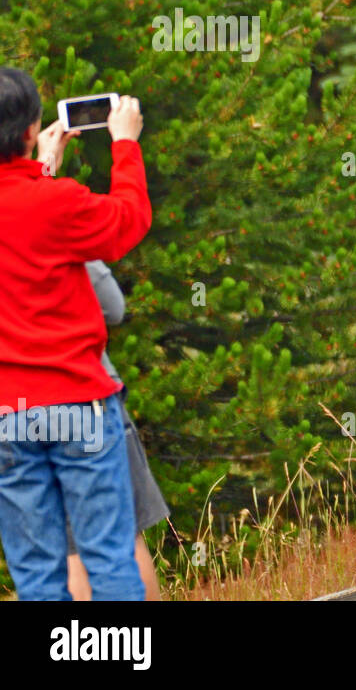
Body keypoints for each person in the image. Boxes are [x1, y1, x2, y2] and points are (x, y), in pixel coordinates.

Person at [0, 69, 151, 600]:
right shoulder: (56, 201)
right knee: (108, 557)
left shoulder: (42, 192)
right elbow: (128, 220)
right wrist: (125, 146)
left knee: (36, 573)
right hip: (77, 399)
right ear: (29, 130)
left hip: (7, 413)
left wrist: (37, 168)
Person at [66, 260, 169, 601]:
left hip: (19, 411)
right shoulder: (58, 213)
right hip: (86, 396)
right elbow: (112, 306)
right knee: (123, 534)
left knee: (69, 550)